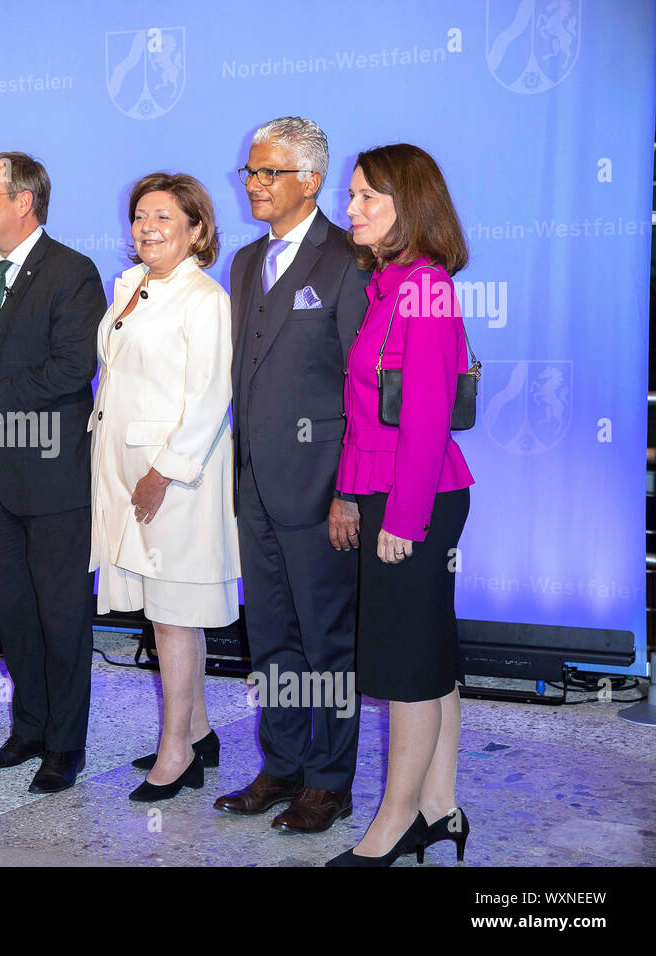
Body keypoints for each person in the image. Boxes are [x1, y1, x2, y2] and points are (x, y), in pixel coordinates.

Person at [0, 152, 106, 793]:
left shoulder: (72, 272)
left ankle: (64, 745)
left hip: (52, 476)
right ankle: (28, 729)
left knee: (61, 616)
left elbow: (73, 367)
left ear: (23, 201)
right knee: (16, 612)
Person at [218, 117, 368, 832]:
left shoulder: (348, 260)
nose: (254, 183)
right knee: (272, 635)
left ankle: (329, 780)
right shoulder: (246, 262)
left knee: (327, 641)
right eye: (250, 171)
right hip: (253, 485)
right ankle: (281, 764)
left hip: (321, 492)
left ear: (310, 180)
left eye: (267, 172)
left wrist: (349, 492)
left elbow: (362, 387)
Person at [327, 144, 474, 866]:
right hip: (392, 490)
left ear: (407, 206)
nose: (350, 208)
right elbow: (367, 412)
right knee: (429, 655)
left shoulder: (425, 288)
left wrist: (404, 518)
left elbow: (426, 415)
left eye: (367, 197)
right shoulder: (392, 284)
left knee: (408, 667)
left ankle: (396, 820)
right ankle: (440, 809)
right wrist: (353, 493)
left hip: (417, 497)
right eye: (353, 195)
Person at [90, 173, 240, 801]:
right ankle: (198, 733)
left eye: (164, 217)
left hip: (176, 477)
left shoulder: (204, 298)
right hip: (126, 469)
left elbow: (210, 398)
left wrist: (164, 473)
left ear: (196, 230)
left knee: (177, 615)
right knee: (163, 612)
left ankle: (175, 753)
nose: (147, 228)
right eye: (140, 216)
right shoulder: (132, 285)